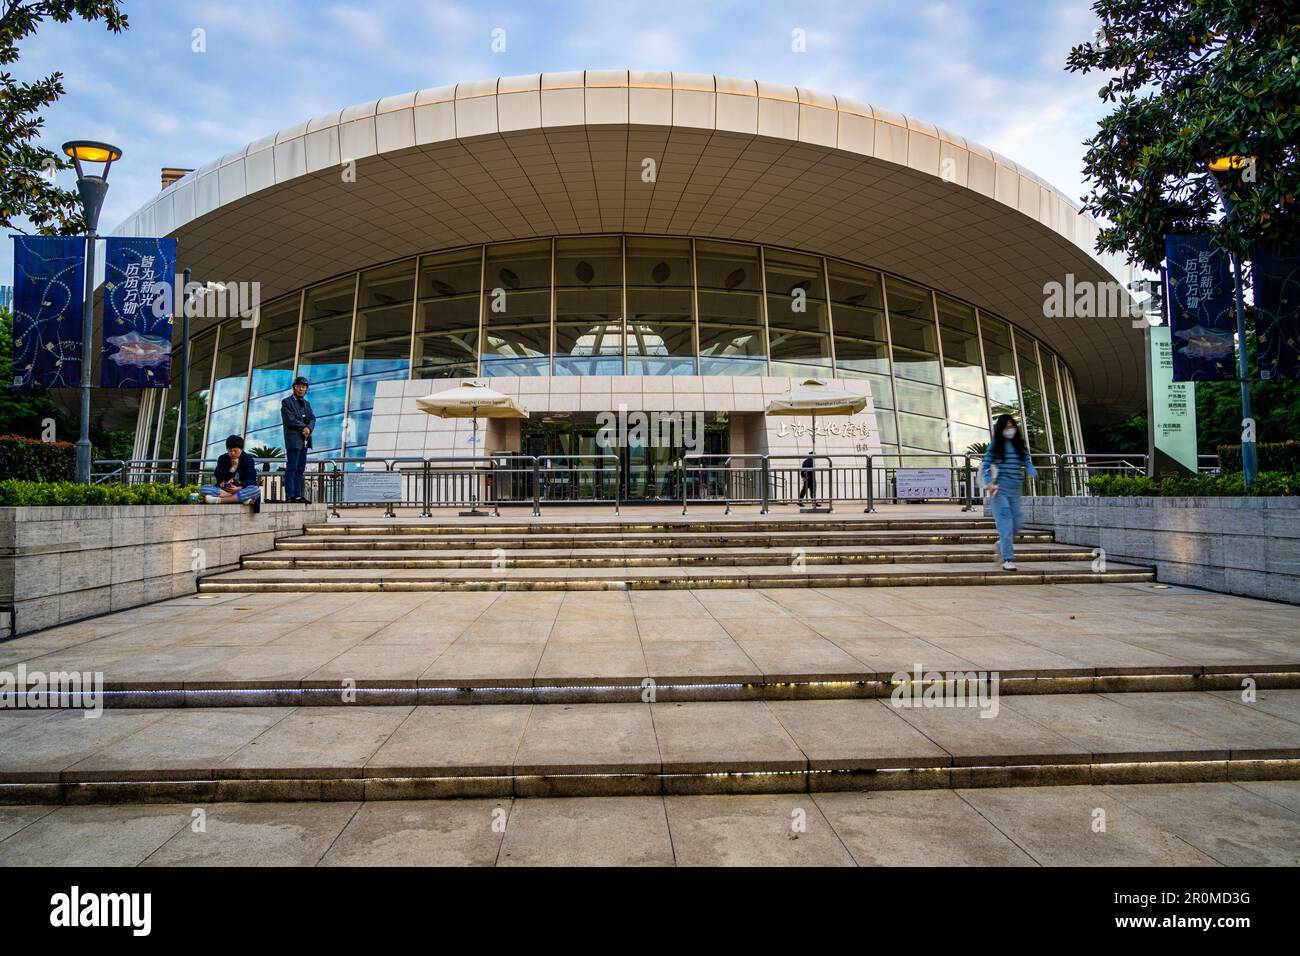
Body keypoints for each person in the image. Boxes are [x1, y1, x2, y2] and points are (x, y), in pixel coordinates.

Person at [980, 414, 1037, 571]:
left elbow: (1026, 459)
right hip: (999, 491)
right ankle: (1008, 559)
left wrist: (1031, 469)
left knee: (1016, 524)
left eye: (1012, 427)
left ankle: (1000, 545)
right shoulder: (995, 446)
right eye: (1006, 427)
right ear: (1000, 429)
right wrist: (988, 483)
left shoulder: (1019, 446)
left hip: (1015, 490)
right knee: (1005, 525)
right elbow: (985, 465)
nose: (1009, 430)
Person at [200, 435, 261, 513]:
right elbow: (218, 476)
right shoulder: (222, 458)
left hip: (241, 489)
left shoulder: (248, 459)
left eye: (235, 451)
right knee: (203, 489)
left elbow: (251, 479)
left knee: (255, 490)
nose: (232, 453)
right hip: (225, 490)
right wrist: (233, 468)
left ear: (241, 449)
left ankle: (220, 500)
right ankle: (240, 499)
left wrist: (238, 488)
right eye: (229, 451)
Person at [281, 376, 315, 503]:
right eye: (299, 386)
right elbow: (289, 420)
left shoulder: (307, 404)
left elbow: (313, 418)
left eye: (304, 387)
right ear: (294, 388)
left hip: (305, 441)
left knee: (300, 468)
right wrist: (304, 428)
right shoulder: (286, 402)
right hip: (293, 440)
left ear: (306, 389)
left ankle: (298, 494)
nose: (301, 389)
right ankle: (290, 494)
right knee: (292, 467)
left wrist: (309, 429)